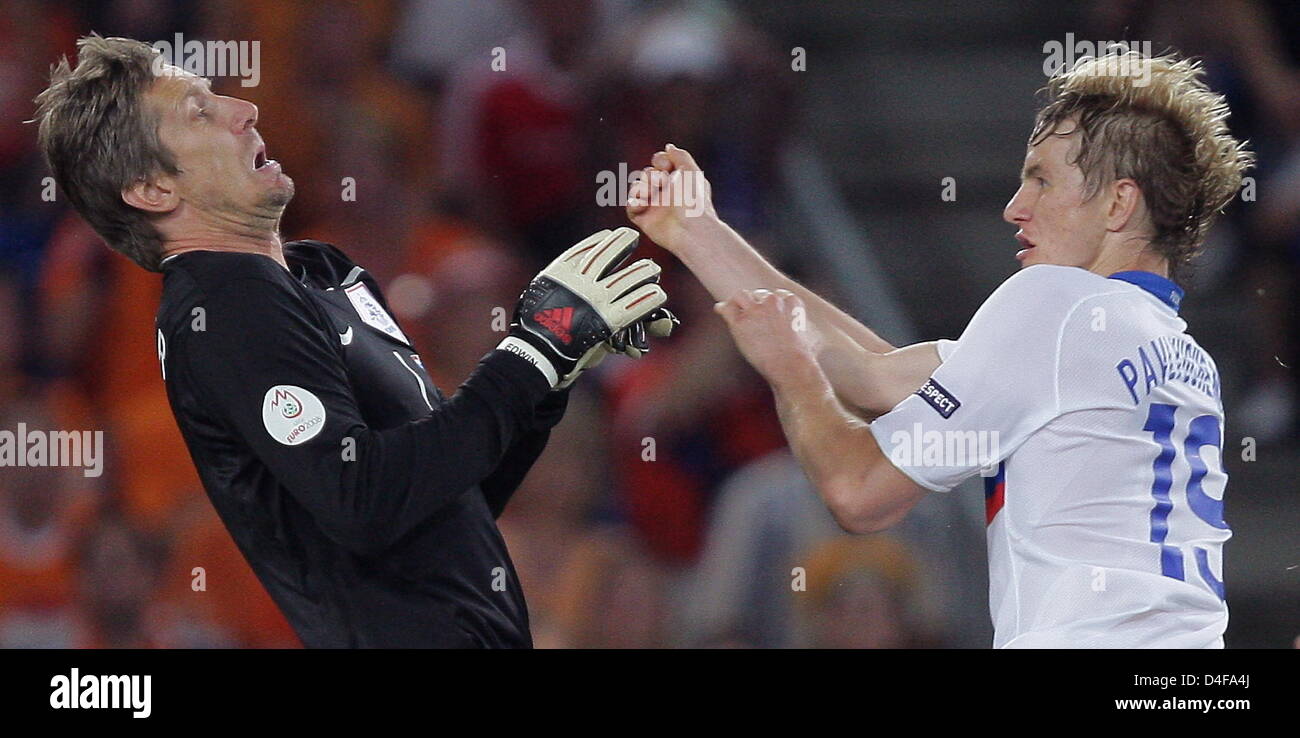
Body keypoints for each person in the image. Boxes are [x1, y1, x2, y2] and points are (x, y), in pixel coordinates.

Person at [31, 34, 674, 648]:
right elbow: (361, 501)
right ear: (152, 189)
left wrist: (554, 365)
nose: (244, 107)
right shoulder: (225, 302)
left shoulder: (321, 272)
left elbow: (445, 501)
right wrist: (536, 347)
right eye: (200, 112)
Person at [627, 50, 1253, 648]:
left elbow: (858, 491)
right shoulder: (1178, 355)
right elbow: (871, 377)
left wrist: (788, 371)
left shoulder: (1057, 304)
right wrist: (698, 232)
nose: (1014, 208)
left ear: (1119, 201)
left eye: (1040, 179)